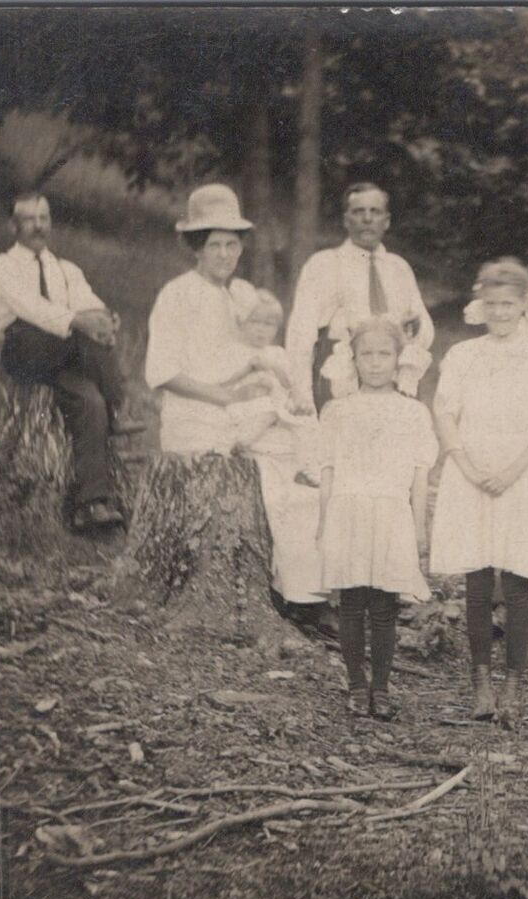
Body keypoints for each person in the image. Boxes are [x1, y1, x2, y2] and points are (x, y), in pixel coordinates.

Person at [145, 184, 332, 639]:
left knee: (306, 468)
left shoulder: (243, 294)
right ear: (196, 247)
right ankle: (299, 598)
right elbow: (163, 372)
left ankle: (308, 591)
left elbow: (263, 349)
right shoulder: (178, 294)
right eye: (214, 245)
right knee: (275, 471)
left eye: (232, 244)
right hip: (197, 415)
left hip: (242, 412)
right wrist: (224, 397)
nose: (225, 254)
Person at [430, 259, 528, 721]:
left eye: (509, 304)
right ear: (480, 306)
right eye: (493, 305)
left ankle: (513, 682)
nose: (501, 313)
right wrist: (465, 464)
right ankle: (480, 680)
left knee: (516, 581)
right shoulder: (464, 356)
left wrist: (514, 469)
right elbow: (445, 411)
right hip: (470, 473)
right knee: (477, 581)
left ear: (524, 306)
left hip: (519, 474)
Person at [0, 191, 138, 531]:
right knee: (80, 331)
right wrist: (83, 323)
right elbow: (32, 309)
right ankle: (121, 405)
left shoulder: (66, 269)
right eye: (29, 219)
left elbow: (88, 302)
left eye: (44, 218)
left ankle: (92, 505)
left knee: (90, 402)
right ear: (13, 225)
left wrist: (103, 320)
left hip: (65, 356)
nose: (38, 226)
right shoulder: (2, 266)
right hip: (23, 350)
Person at [317, 316, 437, 721]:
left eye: (383, 354)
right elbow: (328, 469)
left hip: (390, 512)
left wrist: (419, 527)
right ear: (352, 359)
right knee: (351, 603)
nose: (375, 363)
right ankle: (355, 686)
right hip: (348, 509)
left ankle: (381, 689)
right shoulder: (337, 411)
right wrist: (323, 522)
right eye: (365, 354)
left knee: (385, 605)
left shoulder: (413, 412)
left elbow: (420, 477)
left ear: (398, 358)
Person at [285, 182, 434, 413]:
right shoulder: (324, 264)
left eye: (375, 212)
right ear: (346, 220)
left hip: (392, 372)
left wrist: (413, 329)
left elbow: (424, 329)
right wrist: (301, 391)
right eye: (358, 211)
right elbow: (300, 334)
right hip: (341, 372)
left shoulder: (398, 268)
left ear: (387, 220)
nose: (367, 219)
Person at [225, 289, 320, 483]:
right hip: (247, 403)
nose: (261, 330)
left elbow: (288, 383)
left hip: (276, 403)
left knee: (304, 422)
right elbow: (226, 381)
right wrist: (249, 370)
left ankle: (306, 469)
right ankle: (242, 443)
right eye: (255, 322)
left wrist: (275, 369)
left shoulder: (276, 353)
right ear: (240, 322)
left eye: (269, 325)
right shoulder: (235, 351)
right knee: (268, 411)